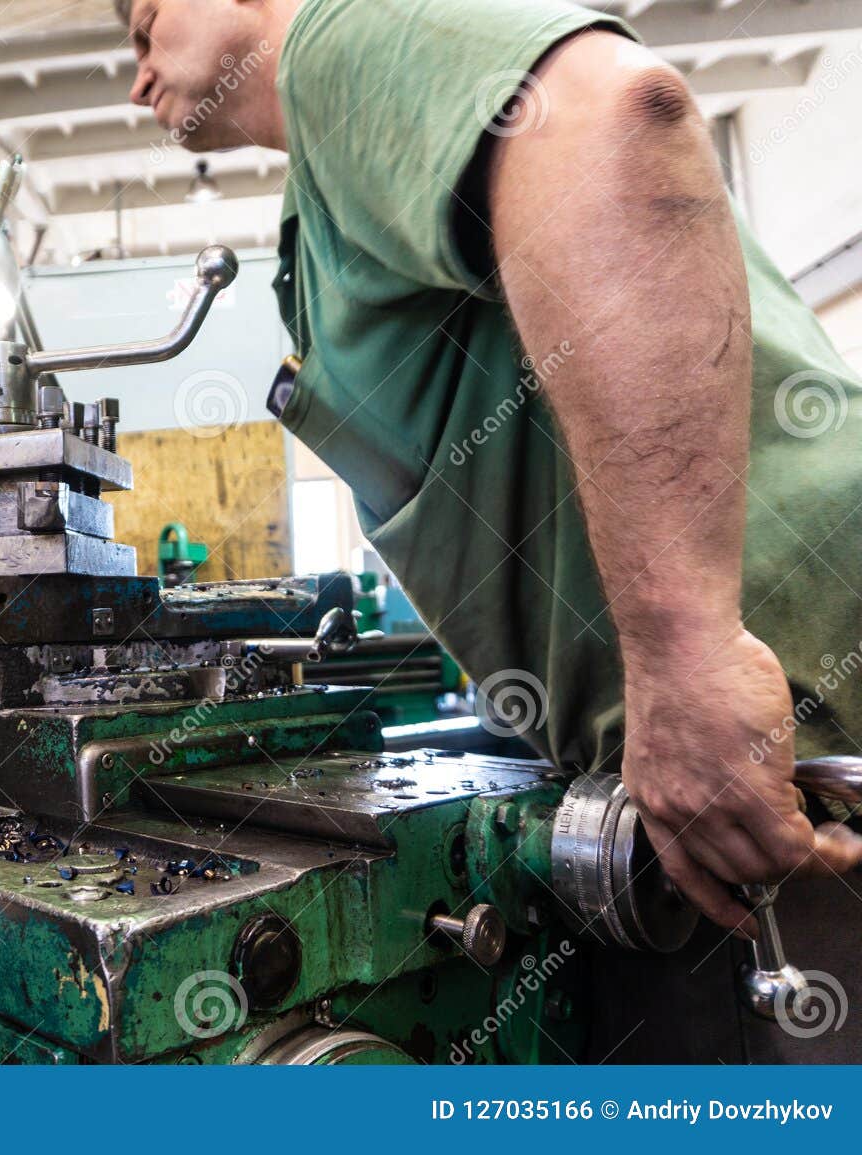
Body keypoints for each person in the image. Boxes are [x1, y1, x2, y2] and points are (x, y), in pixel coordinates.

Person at [116, 0, 862, 1054]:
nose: (136, 78)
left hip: (811, 714)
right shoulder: (325, 197)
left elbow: (615, 112)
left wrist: (683, 650)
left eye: (145, 25)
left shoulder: (338, 34)